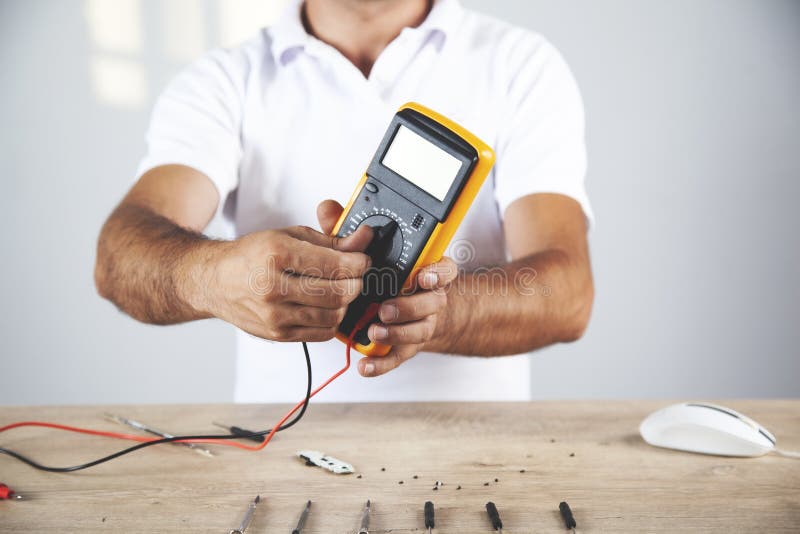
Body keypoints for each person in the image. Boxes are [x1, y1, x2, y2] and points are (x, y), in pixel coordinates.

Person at [95, 0, 594, 403]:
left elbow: (568, 294)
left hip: (477, 460)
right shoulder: (223, 80)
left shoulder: (520, 63)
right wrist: (218, 275)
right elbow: (119, 259)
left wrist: (434, 312)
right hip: (284, 459)